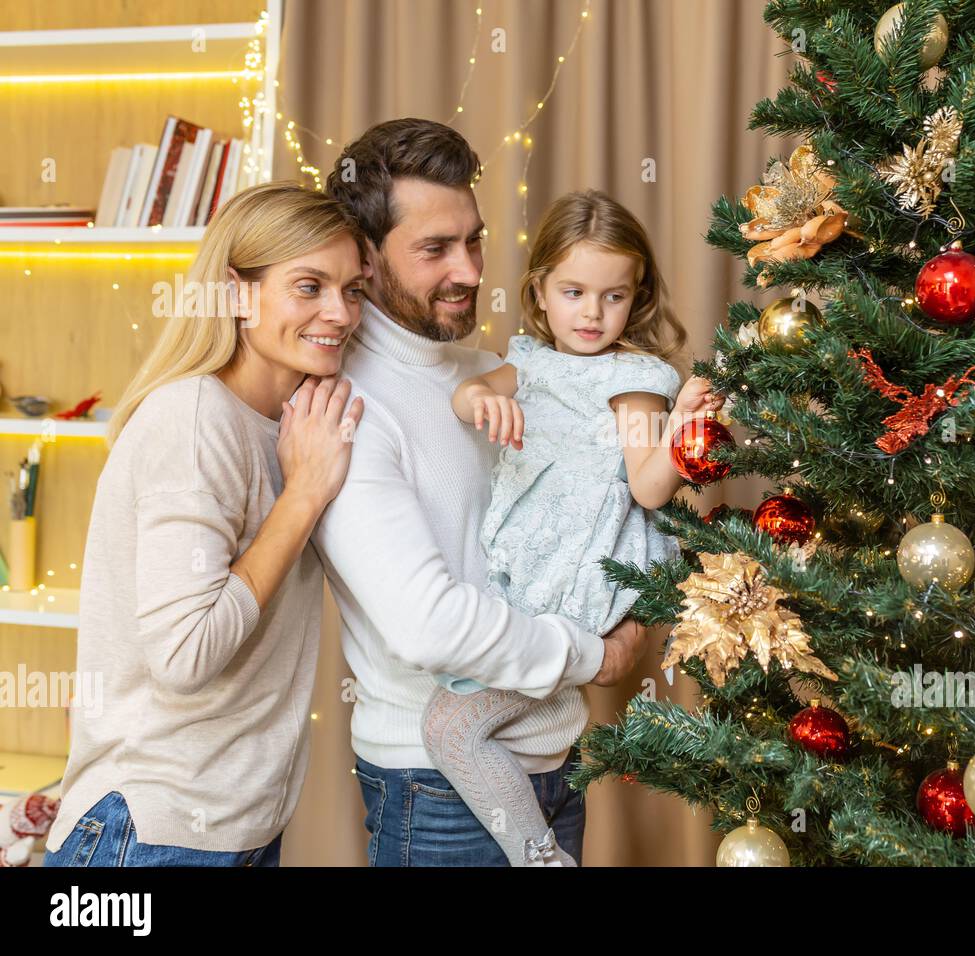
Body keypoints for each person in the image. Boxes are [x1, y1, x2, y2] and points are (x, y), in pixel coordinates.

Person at [316, 119, 654, 866]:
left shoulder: (496, 368)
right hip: (437, 790)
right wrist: (591, 654)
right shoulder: (348, 409)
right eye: (435, 249)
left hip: (554, 764)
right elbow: (428, 625)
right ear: (365, 258)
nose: (470, 270)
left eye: (473, 239)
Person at [43, 182, 366, 866]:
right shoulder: (195, 420)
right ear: (236, 293)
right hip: (153, 833)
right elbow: (184, 656)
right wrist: (302, 499)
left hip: (234, 829)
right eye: (309, 286)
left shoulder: (292, 424)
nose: (340, 313)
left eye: (353, 290)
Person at [422, 189, 721, 865]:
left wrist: (680, 429)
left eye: (613, 296)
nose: (592, 313)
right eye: (574, 291)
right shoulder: (525, 360)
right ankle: (541, 845)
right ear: (540, 289)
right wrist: (477, 400)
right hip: (525, 580)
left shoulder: (636, 380)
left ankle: (536, 855)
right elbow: (470, 391)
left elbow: (648, 485)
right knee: (485, 731)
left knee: (448, 727)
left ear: (636, 296)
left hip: (577, 581)